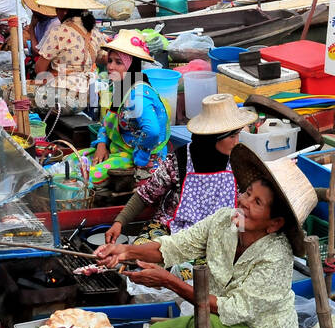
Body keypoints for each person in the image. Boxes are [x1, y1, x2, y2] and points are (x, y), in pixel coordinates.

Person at [95, 148, 327, 328]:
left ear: (274, 223)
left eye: (256, 202)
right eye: (245, 193)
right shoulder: (223, 221)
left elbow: (229, 309)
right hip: (222, 323)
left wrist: (169, 282)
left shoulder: (276, 256)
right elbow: (171, 247)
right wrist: (125, 250)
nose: (242, 202)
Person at [104, 92, 256, 245]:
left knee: (195, 268)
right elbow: (146, 194)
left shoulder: (239, 162)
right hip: (172, 229)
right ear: (213, 138)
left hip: (215, 237)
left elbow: (243, 208)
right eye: (232, 137)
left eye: (238, 135)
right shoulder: (181, 159)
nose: (236, 142)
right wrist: (119, 222)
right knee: (140, 252)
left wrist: (241, 243)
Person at [85, 31, 170, 184]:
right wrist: (102, 143)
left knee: (84, 177)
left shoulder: (138, 94)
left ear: (132, 65)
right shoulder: (123, 87)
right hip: (118, 151)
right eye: (110, 60)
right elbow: (108, 121)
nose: (110, 66)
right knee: (74, 161)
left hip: (138, 158)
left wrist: (141, 158)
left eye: (118, 62)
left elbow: (152, 131)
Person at [31, 0, 108, 113]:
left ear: (64, 10)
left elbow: (39, 69)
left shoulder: (59, 32)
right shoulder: (94, 31)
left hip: (64, 100)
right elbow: (102, 58)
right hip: (88, 96)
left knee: (15, 94)